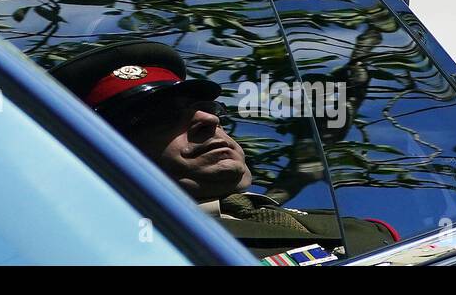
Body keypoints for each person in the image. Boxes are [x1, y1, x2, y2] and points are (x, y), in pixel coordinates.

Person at [50, 41, 398, 263]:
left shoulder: (355, 226)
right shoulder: (127, 253)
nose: (207, 119)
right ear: (108, 155)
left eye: (207, 107)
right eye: (165, 116)